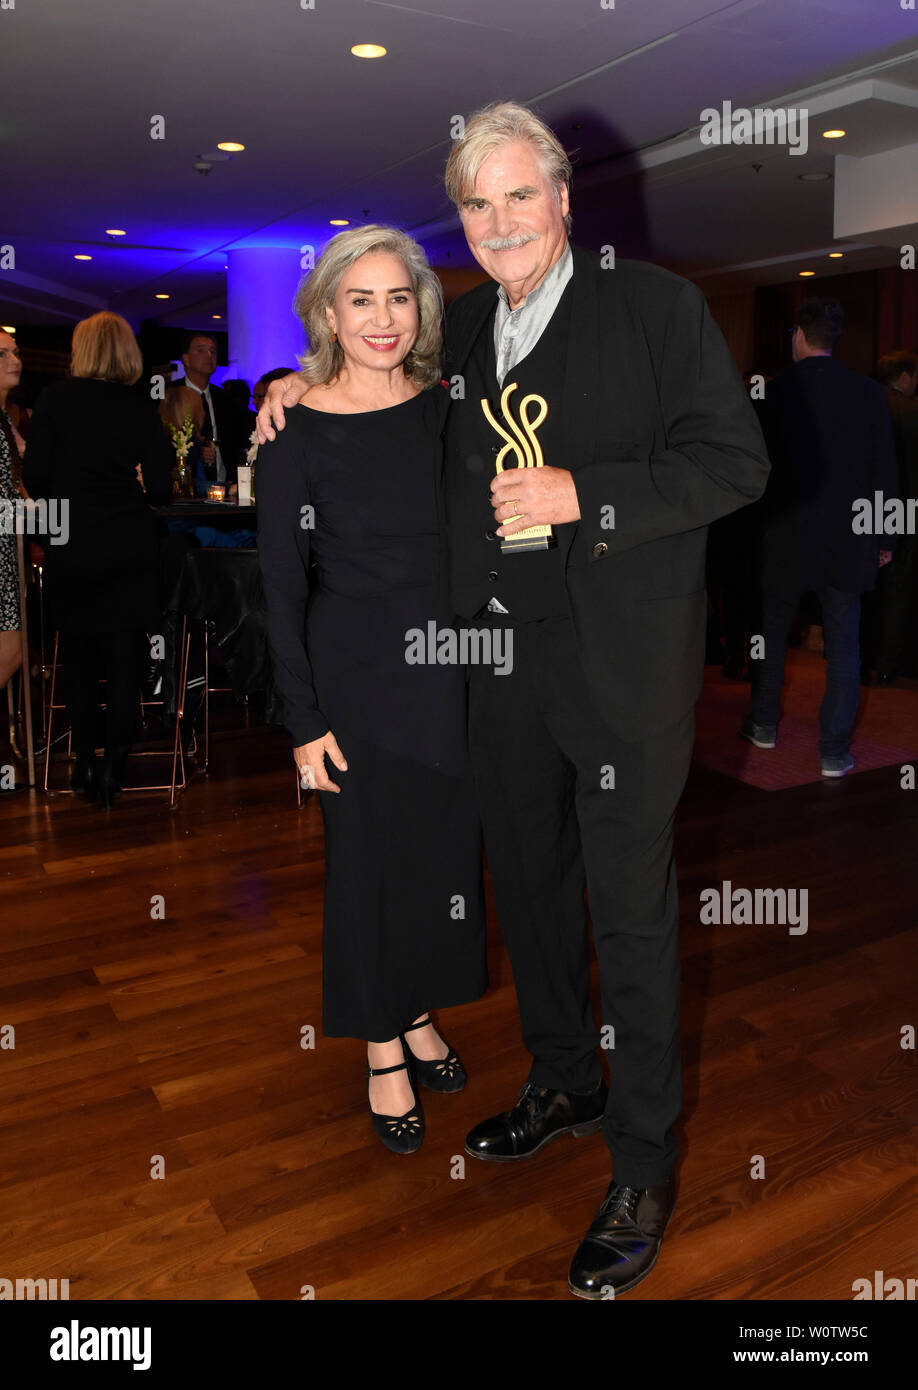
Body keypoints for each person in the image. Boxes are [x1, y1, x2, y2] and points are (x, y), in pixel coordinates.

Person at [259, 101, 770, 1296]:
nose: (496, 223)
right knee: (530, 893)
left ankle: (642, 1162)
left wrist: (584, 494)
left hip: (621, 675)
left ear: (563, 199)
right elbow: (381, 423)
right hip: (493, 671)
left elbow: (736, 463)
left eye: (517, 195)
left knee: (630, 915)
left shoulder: (652, 308)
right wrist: (295, 382)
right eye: (475, 204)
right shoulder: (467, 332)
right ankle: (563, 1080)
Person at [256, 226, 487, 1155]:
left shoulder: (445, 411)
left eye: (400, 298)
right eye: (362, 300)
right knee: (365, 865)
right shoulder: (294, 430)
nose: (384, 318)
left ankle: (417, 1007)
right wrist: (302, 722)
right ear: (329, 316)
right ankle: (382, 1045)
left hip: (448, 673)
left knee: (435, 859)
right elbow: (280, 585)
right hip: (351, 679)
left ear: (421, 309)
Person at [21, 312, 174, 807]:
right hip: (128, 542)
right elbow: (158, 487)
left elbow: (38, 478)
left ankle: (83, 763)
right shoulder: (139, 405)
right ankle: (113, 769)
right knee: (125, 661)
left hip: (73, 542)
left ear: (80, 350)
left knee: (79, 659)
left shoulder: (52, 400)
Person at [742, 298, 899, 775]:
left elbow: (754, 471)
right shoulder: (870, 393)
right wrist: (886, 536)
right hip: (848, 540)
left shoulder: (770, 393)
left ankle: (764, 725)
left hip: (786, 536)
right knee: (844, 646)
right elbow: (885, 470)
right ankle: (833, 751)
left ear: (799, 336)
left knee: (770, 634)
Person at [863, 350, 918, 683]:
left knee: (865, 584)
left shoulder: (863, 405)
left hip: (865, 507)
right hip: (907, 507)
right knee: (899, 587)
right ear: (905, 377)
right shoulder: (913, 412)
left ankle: (862, 657)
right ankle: (886, 665)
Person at [0, 331, 26, 788]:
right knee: (13, 649)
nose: (15, 359)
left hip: (8, 542)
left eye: (15, 351)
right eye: (2, 354)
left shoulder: (8, 417)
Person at [174, 333, 246, 487]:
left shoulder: (224, 398)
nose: (208, 355)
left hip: (224, 485)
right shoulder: (172, 394)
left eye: (213, 352)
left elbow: (233, 442)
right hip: (185, 487)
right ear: (185, 359)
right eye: (200, 350)